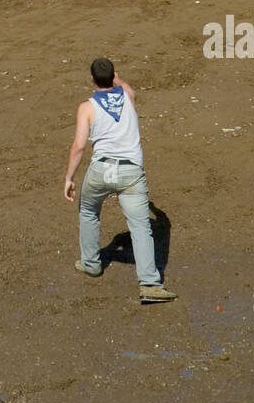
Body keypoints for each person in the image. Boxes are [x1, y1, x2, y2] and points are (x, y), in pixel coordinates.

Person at [64, 57, 177, 302]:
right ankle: (150, 285)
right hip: (131, 174)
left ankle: (91, 263)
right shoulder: (128, 96)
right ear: (114, 76)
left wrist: (69, 178)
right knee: (140, 226)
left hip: (101, 171)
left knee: (88, 211)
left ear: (92, 79)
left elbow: (79, 146)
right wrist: (116, 78)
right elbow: (125, 86)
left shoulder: (87, 107)